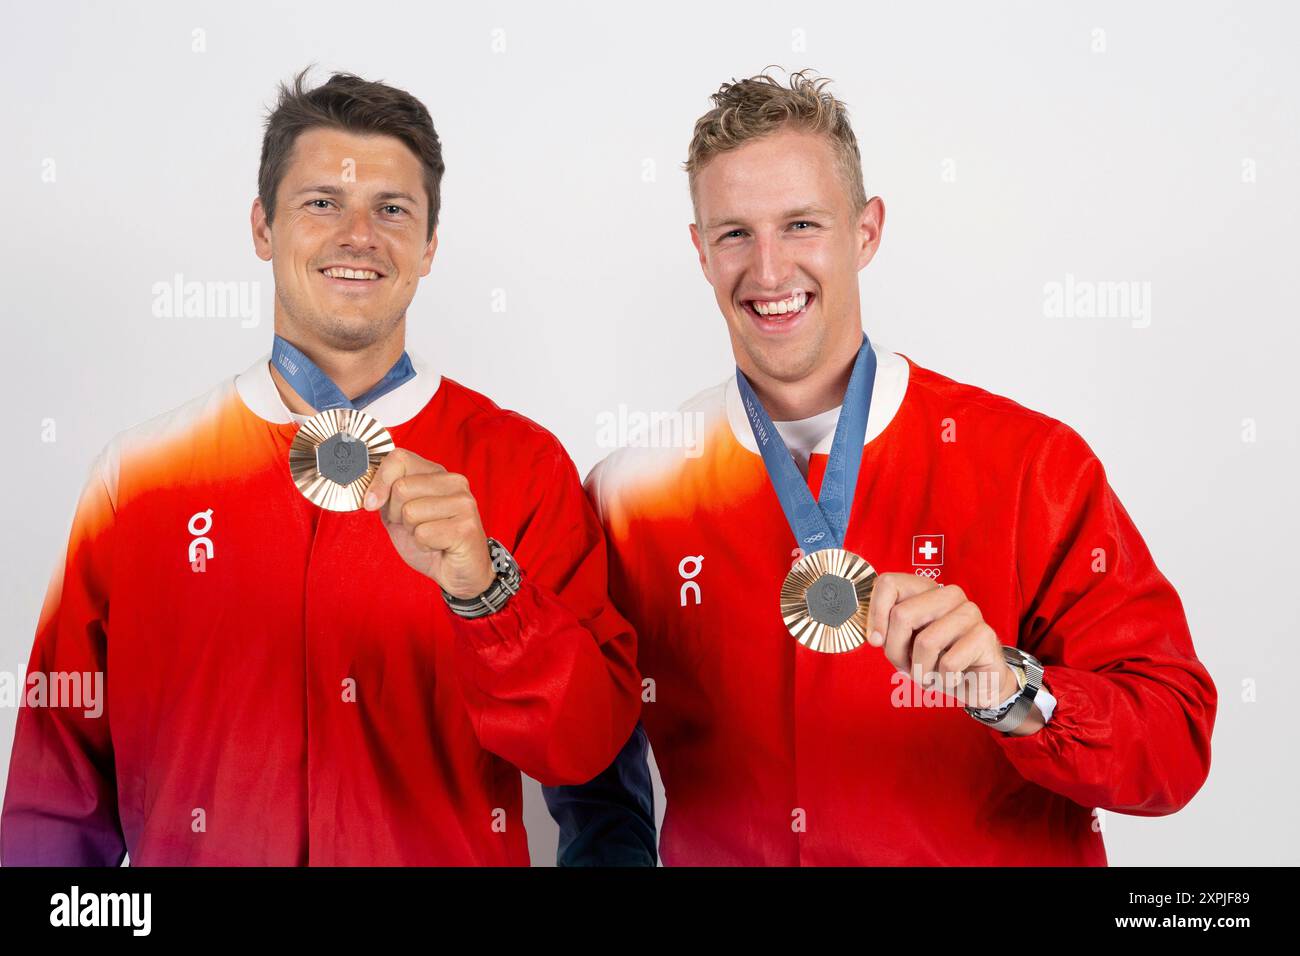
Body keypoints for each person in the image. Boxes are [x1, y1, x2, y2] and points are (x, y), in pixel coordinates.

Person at [543, 69, 1217, 866]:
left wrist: (1012, 688)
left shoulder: (1030, 463)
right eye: (733, 233)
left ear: (866, 232)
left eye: (801, 225)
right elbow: (590, 765)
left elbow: (1173, 749)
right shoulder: (629, 492)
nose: (767, 271)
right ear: (698, 250)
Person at [1, 69, 641, 866]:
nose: (359, 236)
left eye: (392, 210)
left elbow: (584, 752)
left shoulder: (522, 466)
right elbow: (54, 793)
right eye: (322, 203)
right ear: (263, 227)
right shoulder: (137, 479)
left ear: (430, 247)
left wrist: (487, 592)